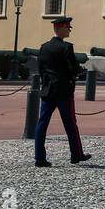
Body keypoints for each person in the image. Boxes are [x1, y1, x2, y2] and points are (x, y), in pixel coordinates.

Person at [34, 16, 91, 167]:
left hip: (48, 90)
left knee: (42, 124)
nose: (69, 30)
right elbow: (72, 68)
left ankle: (39, 158)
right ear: (60, 28)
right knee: (71, 124)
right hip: (64, 91)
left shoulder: (44, 47)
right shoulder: (66, 47)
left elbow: (40, 68)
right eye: (68, 28)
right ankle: (76, 154)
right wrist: (77, 73)